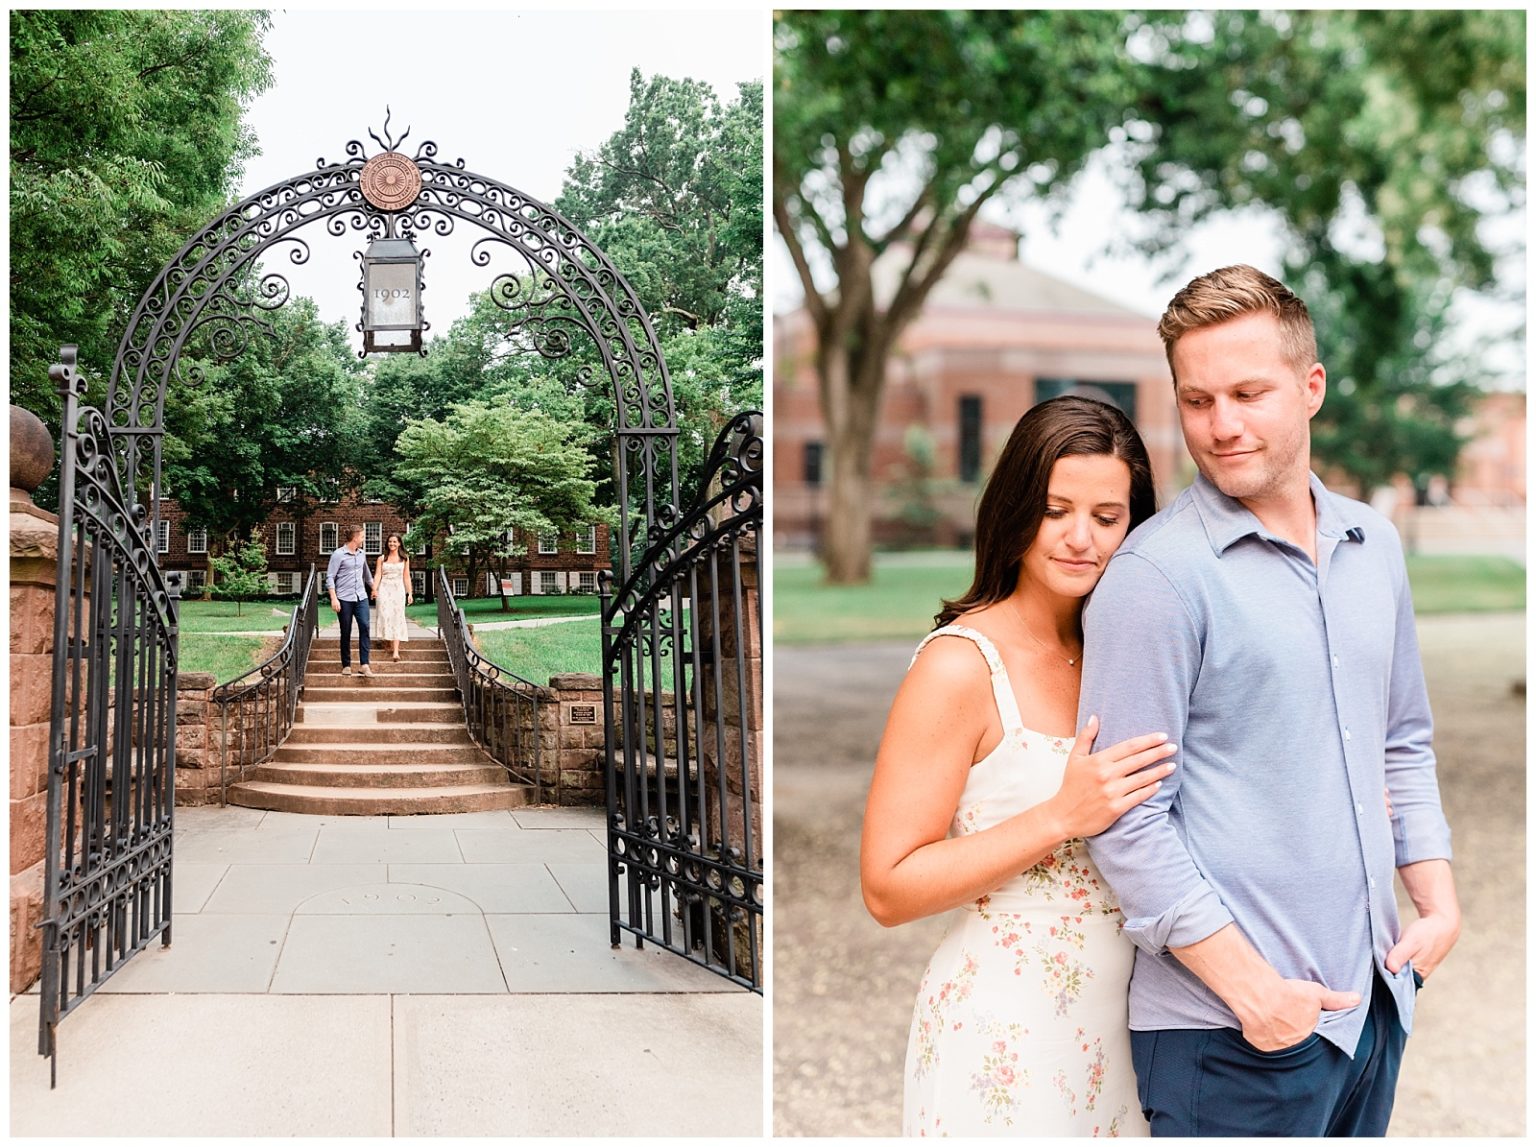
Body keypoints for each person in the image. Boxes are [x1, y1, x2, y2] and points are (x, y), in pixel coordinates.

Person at [1079, 265, 1460, 1137]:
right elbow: (1125, 816)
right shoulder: (1156, 577)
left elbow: (1402, 738)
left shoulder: (1376, 545)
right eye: (1198, 399)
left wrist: (1436, 902)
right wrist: (1256, 995)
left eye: (1249, 392)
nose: (1223, 425)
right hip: (1231, 1032)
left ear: (1312, 386)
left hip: (1371, 1007)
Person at [861, 396, 1174, 1137]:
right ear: (1014, 509)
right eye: (1055, 508)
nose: (1079, 538)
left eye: (1107, 516)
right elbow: (887, 886)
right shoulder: (961, 667)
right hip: (1003, 1034)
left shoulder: (1124, 653)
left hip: (1131, 1029)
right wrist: (1059, 817)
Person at [327, 524, 375, 678]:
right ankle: (346, 665)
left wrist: (374, 588)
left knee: (365, 627)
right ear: (355, 538)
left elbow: (367, 574)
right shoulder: (338, 554)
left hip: (361, 597)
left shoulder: (362, 554)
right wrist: (334, 598)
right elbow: (330, 577)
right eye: (362, 536)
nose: (363, 539)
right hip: (344, 598)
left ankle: (364, 665)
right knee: (346, 631)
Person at [371, 533, 414, 661]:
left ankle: (396, 651)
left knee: (397, 617)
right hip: (384, 588)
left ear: (399, 543)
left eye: (395, 542)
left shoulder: (405, 558)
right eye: (390, 542)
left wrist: (409, 593)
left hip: (398, 590)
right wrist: (374, 589)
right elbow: (378, 575)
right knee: (384, 615)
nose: (392, 544)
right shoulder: (382, 558)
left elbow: (406, 577)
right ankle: (387, 639)